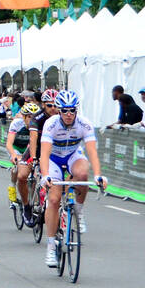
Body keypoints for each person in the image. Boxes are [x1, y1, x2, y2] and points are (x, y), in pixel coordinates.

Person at [38, 91, 106, 267]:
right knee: (53, 200)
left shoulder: (84, 124)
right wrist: (45, 176)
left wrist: (98, 175)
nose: (69, 114)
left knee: (83, 173)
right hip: (53, 159)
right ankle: (51, 246)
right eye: (65, 111)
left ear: (77, 110)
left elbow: (92, 152)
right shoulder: (50, 124)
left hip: (72, 155)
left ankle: (78, 210)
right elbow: (44, 154)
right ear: (59, 111)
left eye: (72, 111)